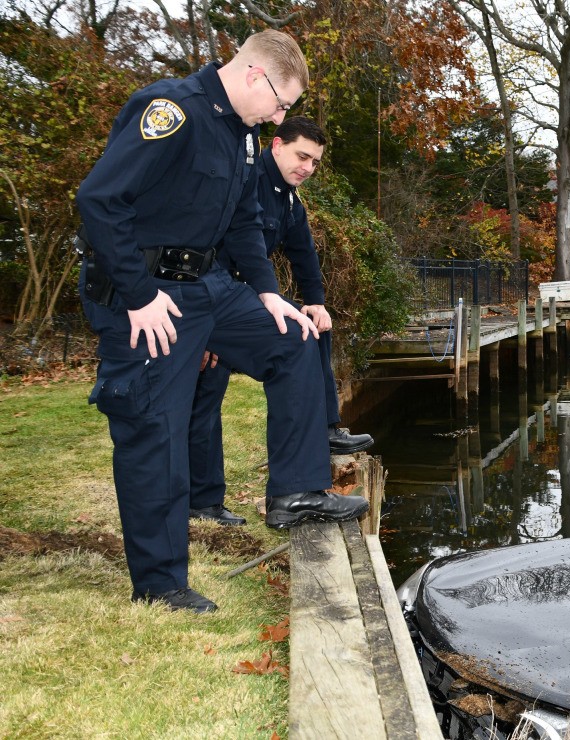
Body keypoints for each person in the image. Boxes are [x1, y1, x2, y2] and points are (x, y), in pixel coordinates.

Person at [76, 30, 368, 615]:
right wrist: (138, 296)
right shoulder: (173, 110)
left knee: (296, 338)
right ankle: (160, 583)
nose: (281, 117)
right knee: (155, 429)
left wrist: (267, 294)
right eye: (281, 104)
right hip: (149, 293)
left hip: (210, 286)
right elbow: (99, 200)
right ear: (256, 74)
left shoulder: (241, 135)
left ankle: (295, 492)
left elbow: (242, 222)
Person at [188, 116, 373, 527]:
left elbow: (304, 252)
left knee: (310, 325)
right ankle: (215, 499)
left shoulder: (288, 198)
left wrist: (317, 302)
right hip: (215, 299)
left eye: (315, 162)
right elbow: (231, 248)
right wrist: (202, 330)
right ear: (276, 144)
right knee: (205, 398)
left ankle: (323, 429)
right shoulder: (249, 179)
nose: (308, 167)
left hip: (236, 299)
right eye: (302, 156)